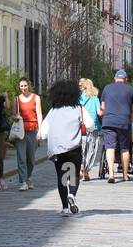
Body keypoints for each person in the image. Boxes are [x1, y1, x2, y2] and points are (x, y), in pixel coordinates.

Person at [38, 79, 95, 217]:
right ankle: (72, 194)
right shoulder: (78, 108)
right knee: (74, 174)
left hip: (57, 149)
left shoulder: (53, 111)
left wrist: (40, 136)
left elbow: (43, 132)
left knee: (61, 176)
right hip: (73, 148)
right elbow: (90, 125)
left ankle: (64, 208)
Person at [98, 68, 133, 184]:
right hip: (123, 122)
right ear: (125, 79)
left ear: (115, 79)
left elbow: (103, 107)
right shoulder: (131, 89)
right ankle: (125, 175)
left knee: (109, 147)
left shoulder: (107, 88)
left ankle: (111, 174)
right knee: (125, 148)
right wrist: (130, 119)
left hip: (108, 121)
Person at [12, 76, 43, 191]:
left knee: (31, 157)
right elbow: (13, 115)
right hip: (21, 131)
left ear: (29, 85)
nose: (23, 88)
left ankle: (28, 177)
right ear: (19, 87)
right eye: (21, 86)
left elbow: (39, 114)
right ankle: (24, 181)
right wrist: (16, 116)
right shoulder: (17, 99)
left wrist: (40, 130)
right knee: (21, 157)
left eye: (25, 85)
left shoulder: (36, 98)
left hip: (33, 130)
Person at [77, 78, 103, 182]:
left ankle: (81, 166)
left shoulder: (79, 98)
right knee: (91, 149)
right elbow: (99, 113)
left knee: (81, 149)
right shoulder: (95, 99)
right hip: (94, 127)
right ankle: (86, 170)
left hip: (81, 127)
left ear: (83, 87)